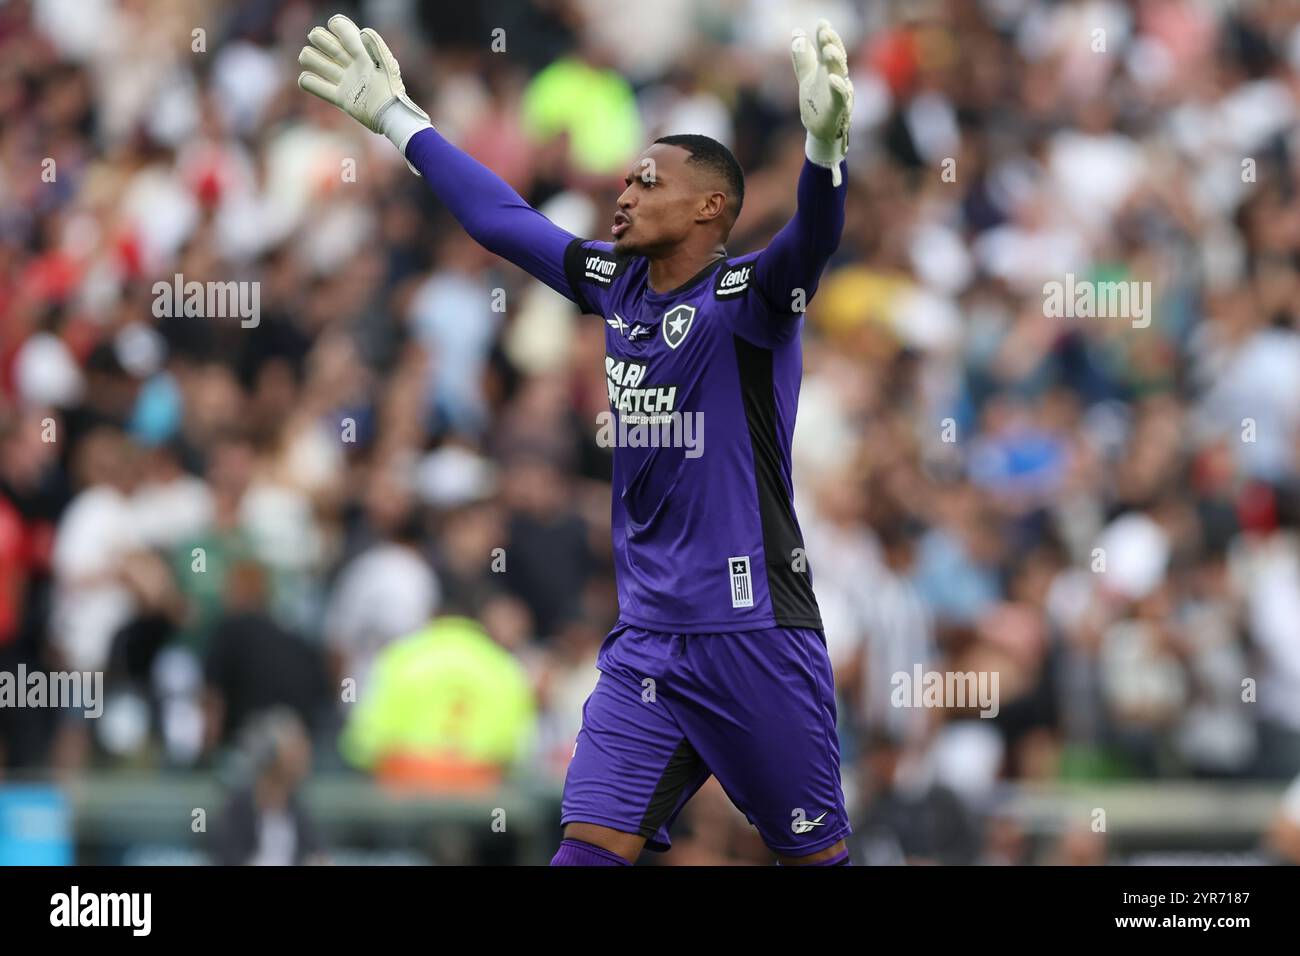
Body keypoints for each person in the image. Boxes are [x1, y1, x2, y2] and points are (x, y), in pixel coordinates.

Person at [297, 13, 854, 866]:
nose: (623, 193)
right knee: (584, 855)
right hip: (649, 645)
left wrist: (821, 155)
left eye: (648, 181)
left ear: (711, 207)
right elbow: (500, 220)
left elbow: (810, 245)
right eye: (626, 179)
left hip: (755, 637)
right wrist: (399, 120)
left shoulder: (747, 302)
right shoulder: (617, 286)